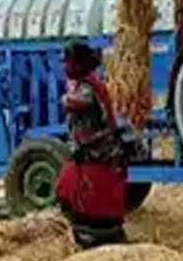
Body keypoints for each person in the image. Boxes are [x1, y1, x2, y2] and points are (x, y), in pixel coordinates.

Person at [54, 40, 129, 249]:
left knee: (75, 193)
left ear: (80, 65)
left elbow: (74, 102)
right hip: (95, 154)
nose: (65, 67)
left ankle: (95, 237)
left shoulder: (88, 88)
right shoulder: (90, 83)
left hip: (97, 154)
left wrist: (64, 98)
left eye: (68, 63)